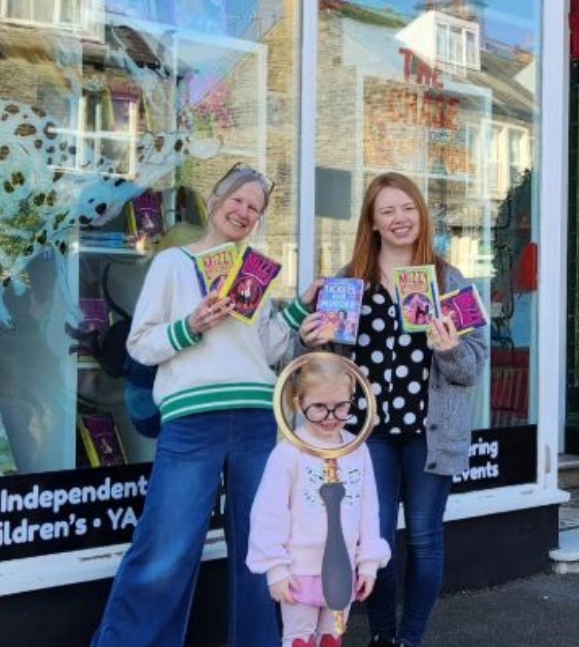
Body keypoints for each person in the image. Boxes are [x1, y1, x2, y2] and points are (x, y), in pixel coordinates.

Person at [90, 163, 331, 647]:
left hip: (257, 420)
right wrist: (190, 325)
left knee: (263, 550)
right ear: (216, 201)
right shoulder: (173, 263)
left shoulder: (254, 273)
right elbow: (139, 345)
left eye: (254, 208)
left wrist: (301, 308)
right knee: (165, 548)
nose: (243, 212)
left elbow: (267, 351)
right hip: (192, 422)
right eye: (237, 201)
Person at [333, 172, 488, 647]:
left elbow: (473, 365)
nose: (400, 219)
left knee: (424, 538)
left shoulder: (447, 280)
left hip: (429, 432)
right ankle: (382, 637)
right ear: (372, 223)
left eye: (408, 208)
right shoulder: (349, 282)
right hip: (369, 433)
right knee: (373, 542)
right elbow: (323, 365)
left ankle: (410, 639)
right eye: (387, 211)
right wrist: (312, 338)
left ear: (421, 214)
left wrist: (447, 349)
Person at [247, 354, 390, 647]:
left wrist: (368, 564)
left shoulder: (357, 450)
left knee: (332, 637)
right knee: (299, 639)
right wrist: (275, 567)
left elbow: (368, 509)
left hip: (343, 568)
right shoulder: (288, 454)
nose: (330, 417)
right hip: (298, 571)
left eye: (340, 407)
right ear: (299, 404)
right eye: (319, 408)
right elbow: (269, 513)